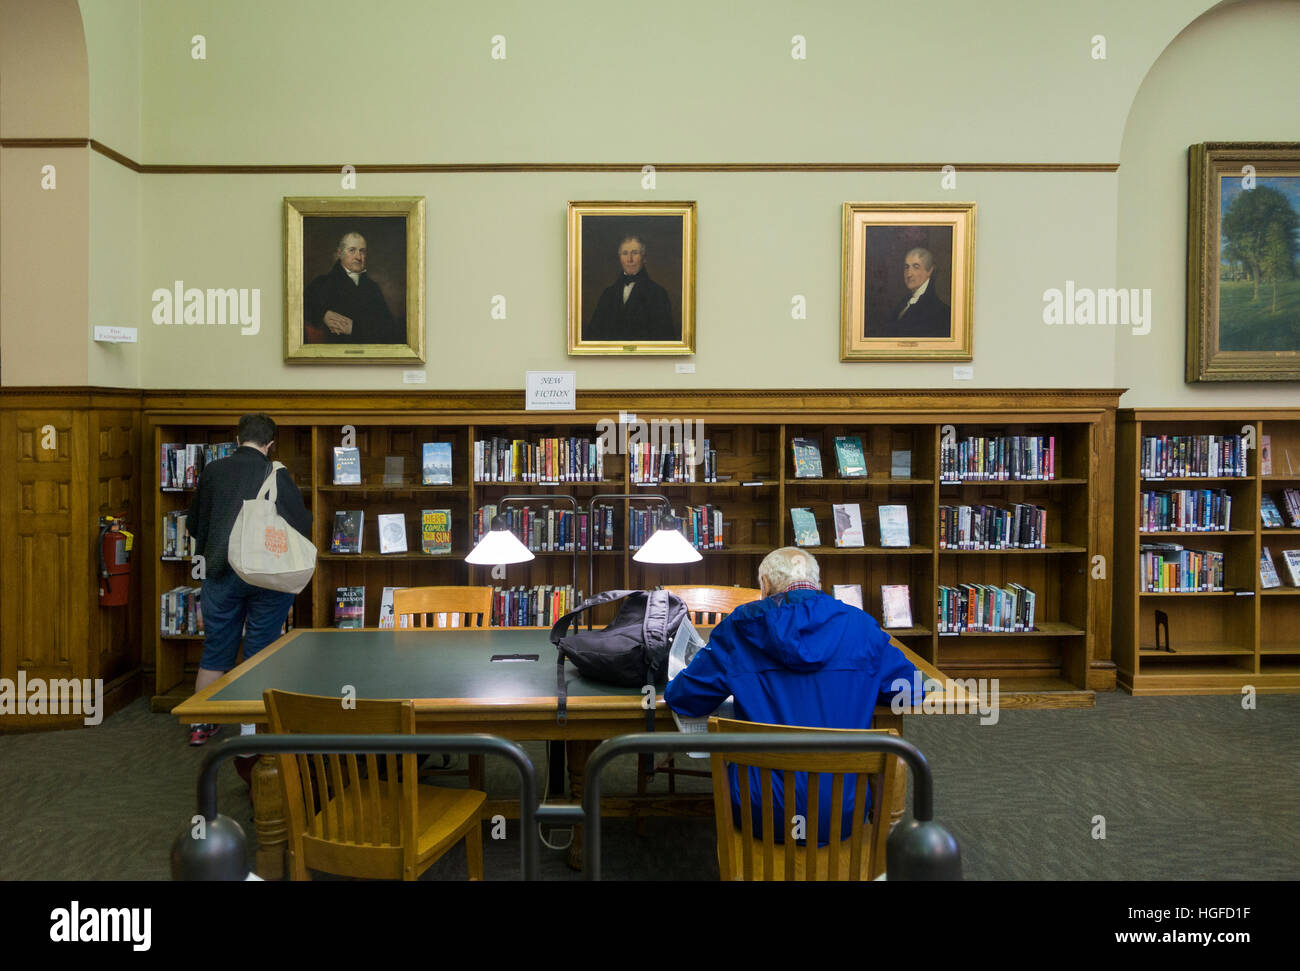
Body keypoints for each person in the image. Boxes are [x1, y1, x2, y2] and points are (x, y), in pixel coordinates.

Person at [664, 547, 920, 845]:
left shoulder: (739, 627)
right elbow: (910, 689)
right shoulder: (860, 626)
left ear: (764, 584)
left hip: (757, 810)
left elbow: (684, 698)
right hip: (842, 813)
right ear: (818, 584)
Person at [185, 414, 312, 746]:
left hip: (219, 572)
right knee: (260, 651)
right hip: (265, 574)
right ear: (270, 444)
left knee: (216, 649)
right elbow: (302, 523)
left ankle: (201, 723)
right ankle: (250, 728)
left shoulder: (213, 471)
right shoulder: (275, 472)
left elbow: (194, 524)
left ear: (236, 438)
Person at [303, 232, 402, 343]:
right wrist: (323, 314)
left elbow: (389, 330)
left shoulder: (373, 288)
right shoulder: (322, 283)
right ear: (340, 253)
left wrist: (355, 329)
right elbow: (299, 308)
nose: (358, 257)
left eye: (362, 251)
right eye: (352, 250)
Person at [584, 234, 676, 341]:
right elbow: (592, 335)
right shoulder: (608, 294)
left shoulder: (658, 294)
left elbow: (665, 339)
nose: (629, 259)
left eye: (635, 253)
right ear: (619, 258)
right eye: (625, 253)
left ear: (644, 258)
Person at [868, 246, 951, 338]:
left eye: (916, 267)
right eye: (906, 267)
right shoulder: (904, 302)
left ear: (929, 271)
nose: (909, 274)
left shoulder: (940, 312)